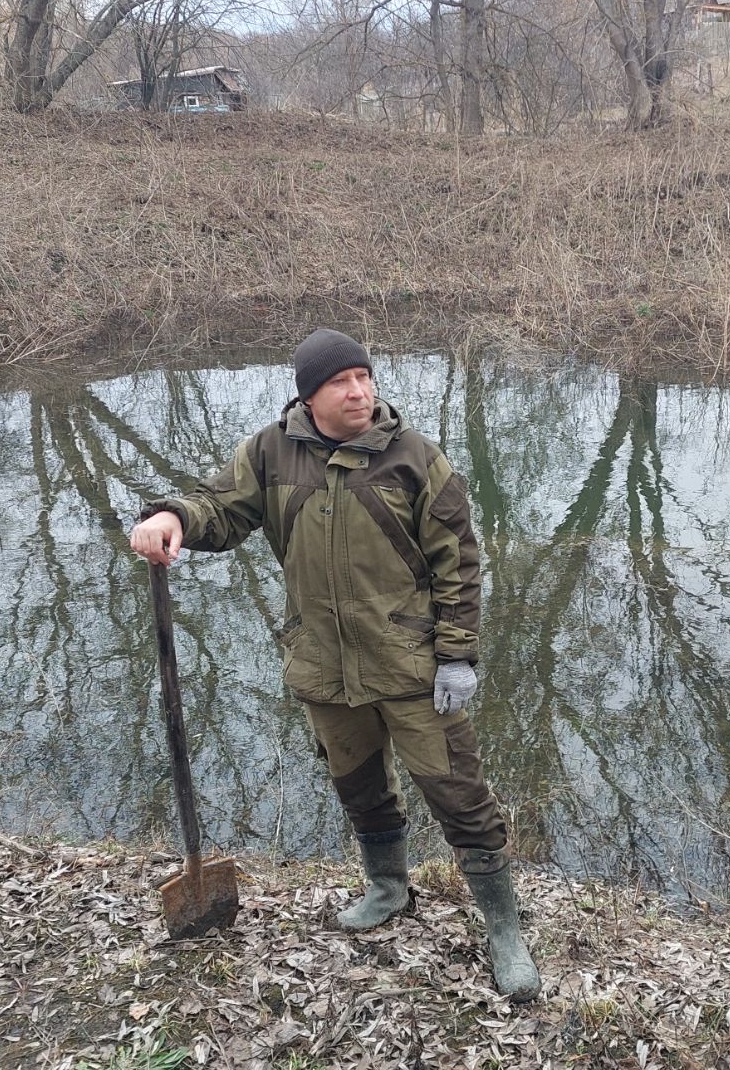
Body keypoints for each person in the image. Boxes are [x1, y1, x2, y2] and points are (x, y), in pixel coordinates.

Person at [128, 328, 540, 1002]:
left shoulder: (415, 458)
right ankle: (387, 886)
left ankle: (503, 926)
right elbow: (221, 509)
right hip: (323, 664)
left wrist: (457, 655)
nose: (359, 391)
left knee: (458, 794)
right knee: (358, 786)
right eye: (341, 382)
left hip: (410, 666)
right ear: (309, 395)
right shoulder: (269, 452)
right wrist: (173, 516)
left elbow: (458, 563)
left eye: (364, 377)